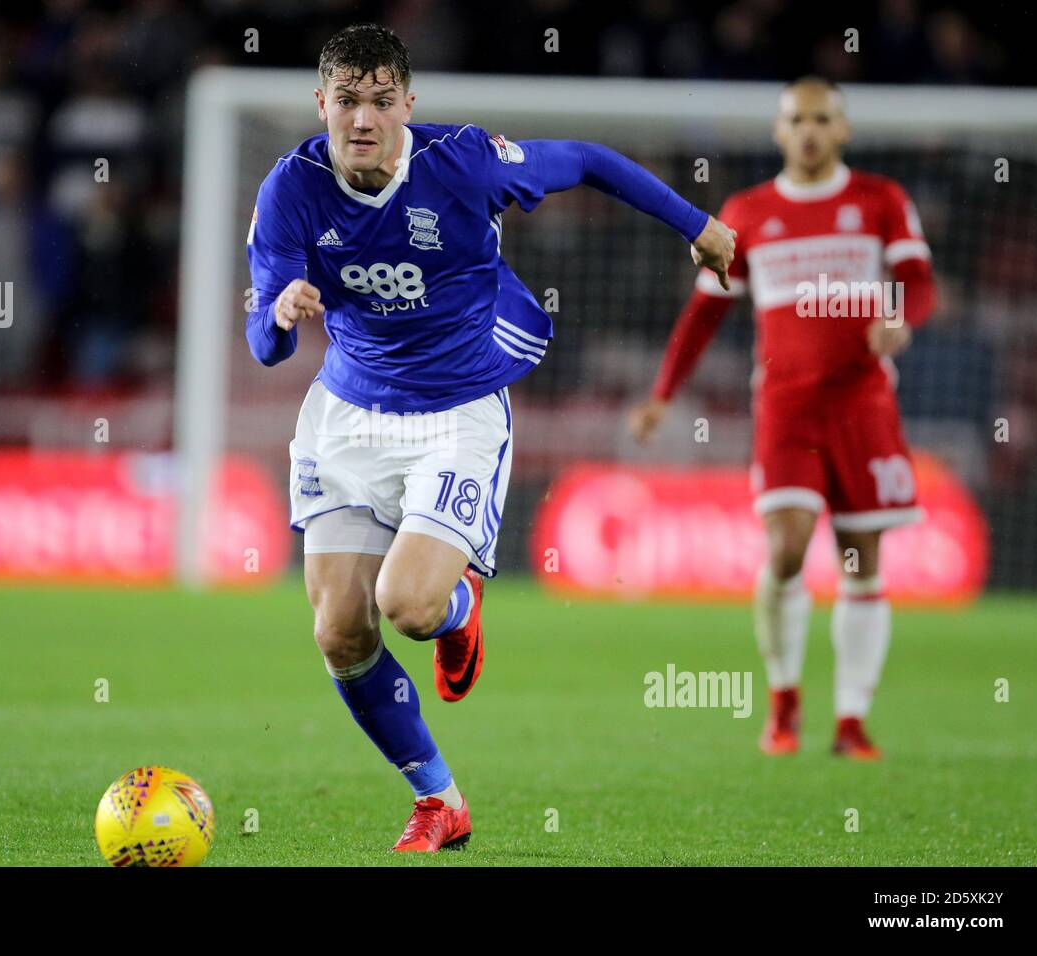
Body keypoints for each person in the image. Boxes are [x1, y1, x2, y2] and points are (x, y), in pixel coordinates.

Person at [245, 23, 735, 851]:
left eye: (381, 101)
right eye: (347, 101)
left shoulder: (461, 161)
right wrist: (283, 314)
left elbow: (584, 158)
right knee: (339, 630)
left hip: (457, 411)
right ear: (321, 103)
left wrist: (695, 224)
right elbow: (264, 343)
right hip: (349, 416)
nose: (363, 119)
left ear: (408, 104)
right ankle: (440, 800)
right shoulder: (289, 190)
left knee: (408, 606)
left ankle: (458, 605)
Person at [629, 76, 937, 760]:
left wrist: (900, 319)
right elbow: (706, 309)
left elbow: (917, 283)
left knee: (862, 562)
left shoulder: (879, 200)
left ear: (843, 129)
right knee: (788, 549)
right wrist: (663, 393)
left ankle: (852, 720)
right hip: (787, 408)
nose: (809, 131)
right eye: (797, 119)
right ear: (778, 131)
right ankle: (784, 703)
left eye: (823, 119)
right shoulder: (751, 211)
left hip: (863, 405)